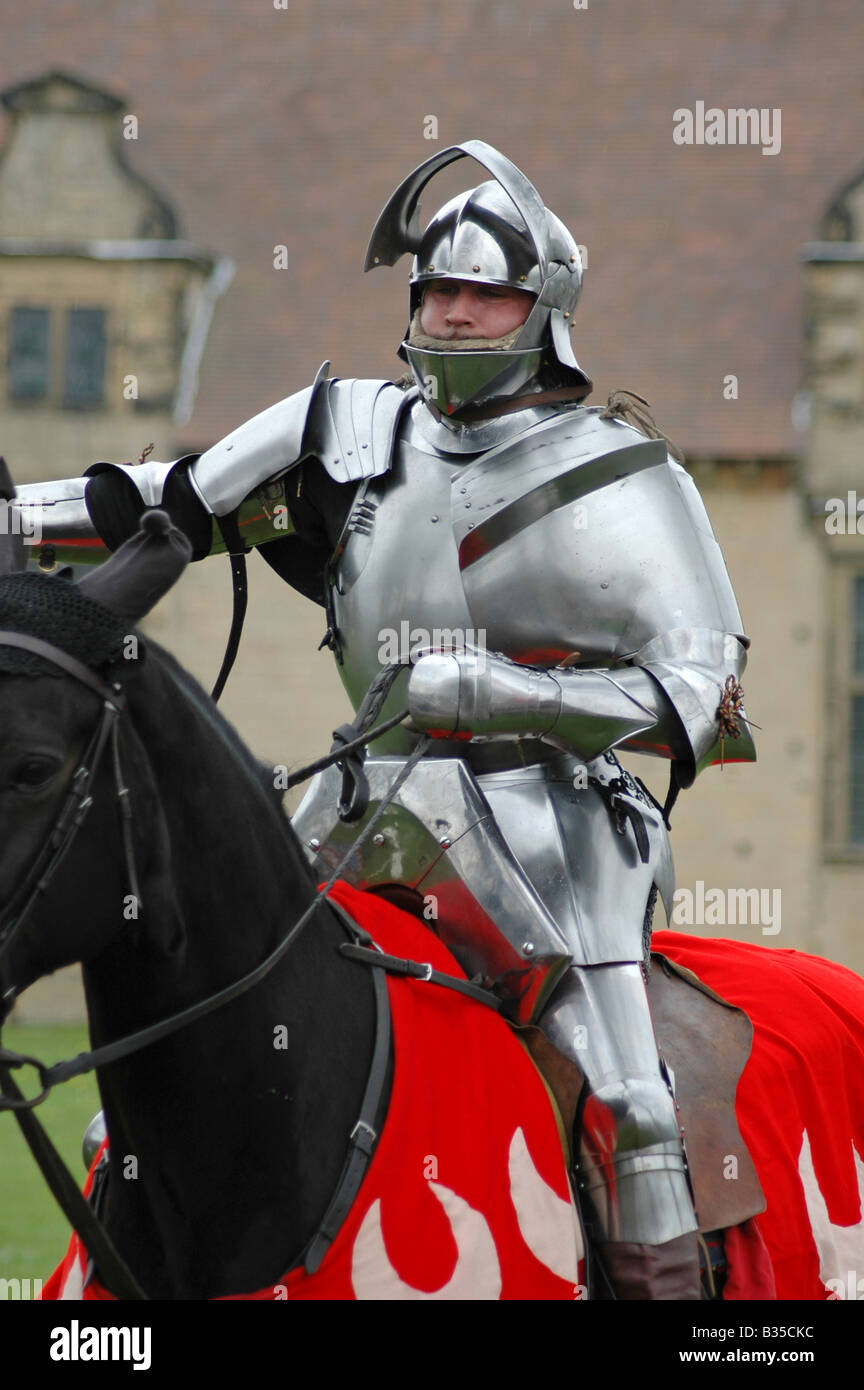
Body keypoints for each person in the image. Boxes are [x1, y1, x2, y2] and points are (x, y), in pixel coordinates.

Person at [16, 140, 756, 1299]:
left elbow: (703, 699)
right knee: (184, 1050)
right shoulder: (346, 436)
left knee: (630, 1102)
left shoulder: (625, 477)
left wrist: (511, 693)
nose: (452, 314)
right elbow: (166, 509)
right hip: (361, 798)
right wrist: (19, 522)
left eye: (482, 294)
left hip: (553, 823)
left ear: (543, 310)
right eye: (435, 290)